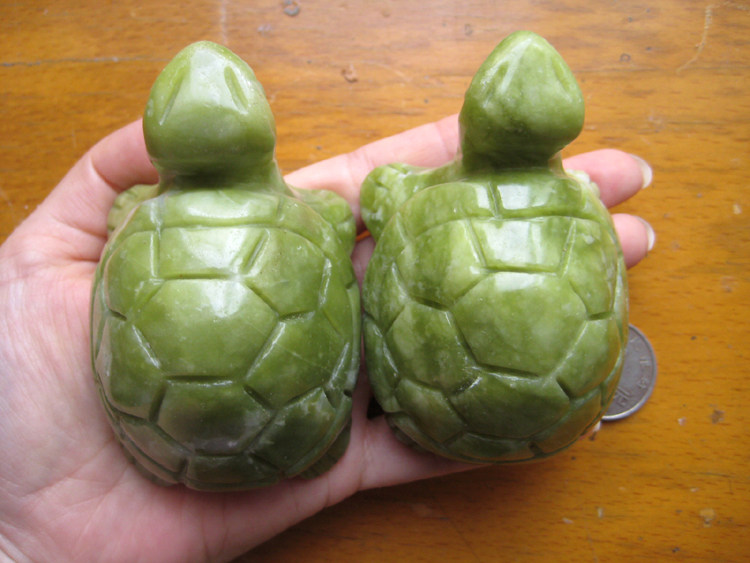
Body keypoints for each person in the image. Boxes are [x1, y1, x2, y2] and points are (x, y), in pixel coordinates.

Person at [0, 116, 654, 562]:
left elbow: (359, 206)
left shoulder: (139, 215)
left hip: (159, 443)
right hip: (547, 422)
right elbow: (346, 214)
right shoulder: (578, 201)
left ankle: (341, 441)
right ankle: (332, 445)